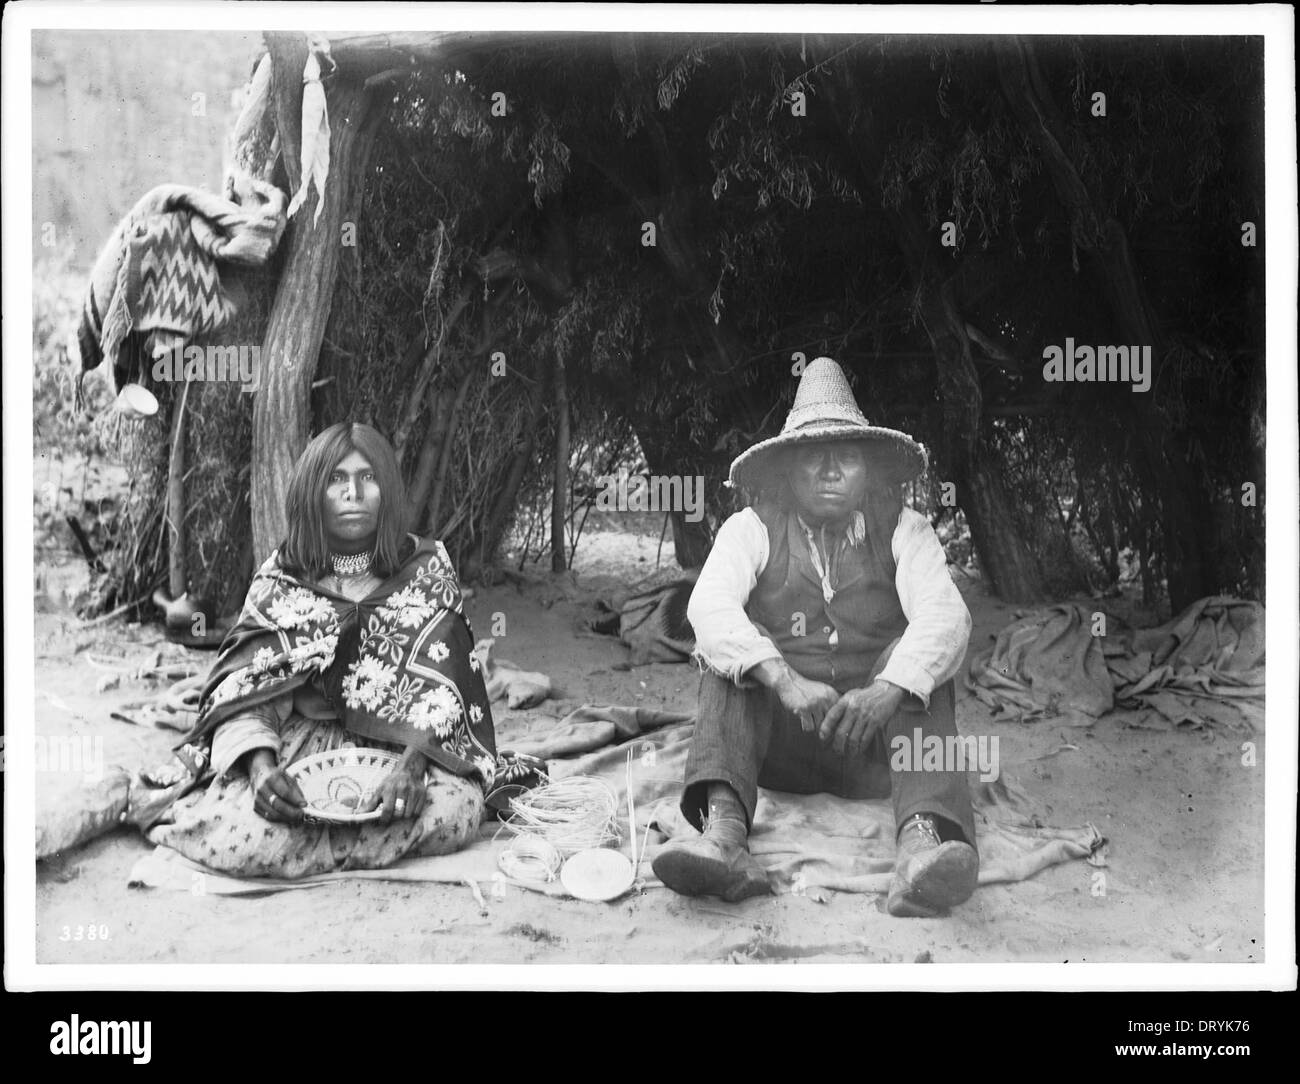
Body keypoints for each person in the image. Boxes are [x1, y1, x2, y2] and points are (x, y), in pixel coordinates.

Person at [138, 422, 542, 877]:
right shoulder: (281, 578)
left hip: (403, 749)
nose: (353, 492)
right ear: (314, 492)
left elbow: (449, 695)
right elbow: (243, 691)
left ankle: (306, 847)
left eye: (368, 478)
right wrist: (261, 771)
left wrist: (411, 768)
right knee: (239, 829)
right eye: (336, 479)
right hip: (301, 745)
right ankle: (345, 841)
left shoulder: (427, 569)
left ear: (387, 491)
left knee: (455, 813)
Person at [651, 358, 979, 917]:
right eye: (813, 457)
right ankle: (725, 835)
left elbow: (947, 617)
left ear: (867, 470)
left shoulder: (905, 529)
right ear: (787, 470)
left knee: (922, 662)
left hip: (878, 756)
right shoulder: (750, 528)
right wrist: (781, 677)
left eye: (846, 456)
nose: (830, 470)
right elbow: (707, 607)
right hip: (778, 750)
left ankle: (921, 844)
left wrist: (889, 690)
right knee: (732, 653)